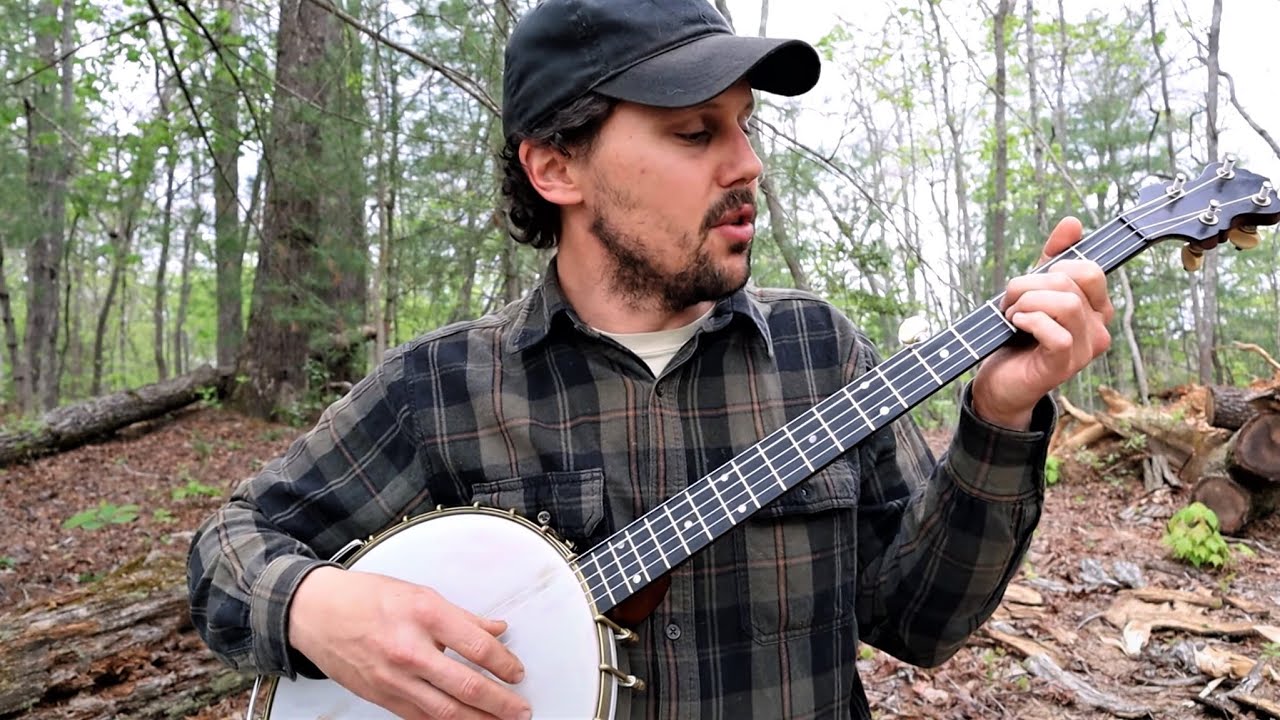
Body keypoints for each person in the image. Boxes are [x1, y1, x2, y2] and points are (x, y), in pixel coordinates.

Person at [187, 0, 1114, 718]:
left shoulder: (819, 352)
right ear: (557, 168)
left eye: (746, 125)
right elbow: (228, 547)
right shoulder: (442, 387)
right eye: (695, 131)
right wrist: (315, 608)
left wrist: (998, 418)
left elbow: (925, 622)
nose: (747, 163)